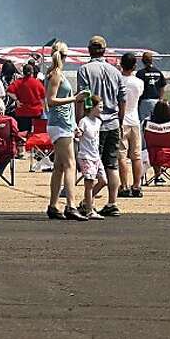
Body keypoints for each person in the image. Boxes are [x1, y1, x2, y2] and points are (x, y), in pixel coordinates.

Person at [76, 36, 125, 217]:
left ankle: (88, 202)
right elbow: (122, 99)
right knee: (111, 165)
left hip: (93, 123)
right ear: (104, 50)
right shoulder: (115, 71)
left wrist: (79, 121)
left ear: (89, 50)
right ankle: (112, 202)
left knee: (92, 165)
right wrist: (119, 120)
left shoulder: (85, 70)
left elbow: (82, 97)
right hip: (112, 122)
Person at [45, 45, 88, 220]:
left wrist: (73, 124)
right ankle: (71, 205)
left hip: (64, 123)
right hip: (59, 124)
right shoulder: (55, 74)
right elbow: (51, 100)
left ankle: (53, 205)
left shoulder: (57, 74)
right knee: (71, 165)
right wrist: (75, 98)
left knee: (60, 167)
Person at [118, 52, 144, 198]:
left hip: (121, 120)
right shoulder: (139, 82)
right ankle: (137, 185)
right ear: (134, 66)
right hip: (134, 119)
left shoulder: (118, 80)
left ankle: (124, 185)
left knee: (121, 156)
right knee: (136, 155)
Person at [74, 95, 105, 219]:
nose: (102, 108)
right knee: (89, 183)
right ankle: (89, 210)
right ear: (92, 107)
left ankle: (86, 202)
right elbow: (78, 134)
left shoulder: (98, 121)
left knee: (103, 181)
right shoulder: (84, 121)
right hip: (86, 156)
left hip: (96, 156)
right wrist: (78, 134)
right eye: (100, 106)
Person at [7, 63, 46, 134]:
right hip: (36, 112)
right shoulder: (38, 83)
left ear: (23, 72)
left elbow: (9, 91)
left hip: (22, 112)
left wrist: (16, 100)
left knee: (23, 134)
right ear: (32, 72)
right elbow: (43, 97)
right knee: (36, 134)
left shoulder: (18, 82)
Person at [135, 51, 167, 122]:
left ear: (142, 61)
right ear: (152, 60)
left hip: (144, 100)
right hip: (156, 101)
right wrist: (160, 99)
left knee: (143, 122)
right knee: (155, 121)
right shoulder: (158, 72)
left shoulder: (140, 73)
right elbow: (163, 86)